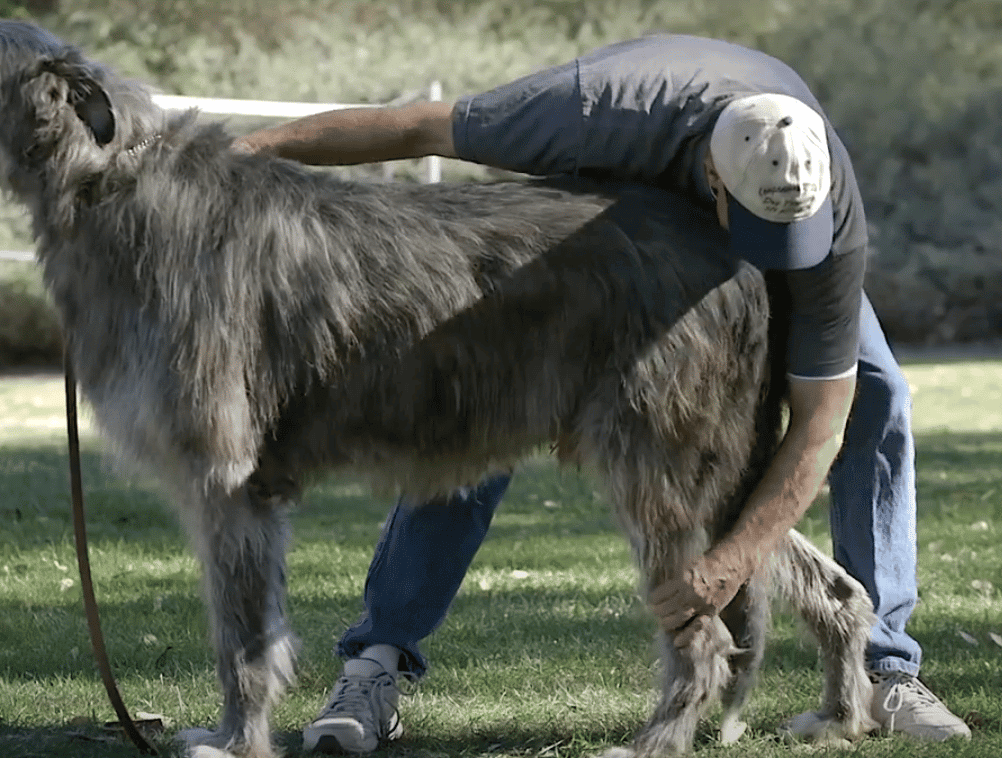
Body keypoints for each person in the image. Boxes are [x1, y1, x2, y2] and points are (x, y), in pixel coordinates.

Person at [233, 34, 972, 752]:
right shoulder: (588, 111)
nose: (769, 258)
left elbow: (820, 425)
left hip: (726, 238)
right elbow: (417, 127)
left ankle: (886, 669)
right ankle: (377, 661)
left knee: (876, 398)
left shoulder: (822, 204)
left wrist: (731, 561)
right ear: (712, 177)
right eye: (755, 228)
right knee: (470, 411)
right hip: (593, 240)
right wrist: (251, 152)